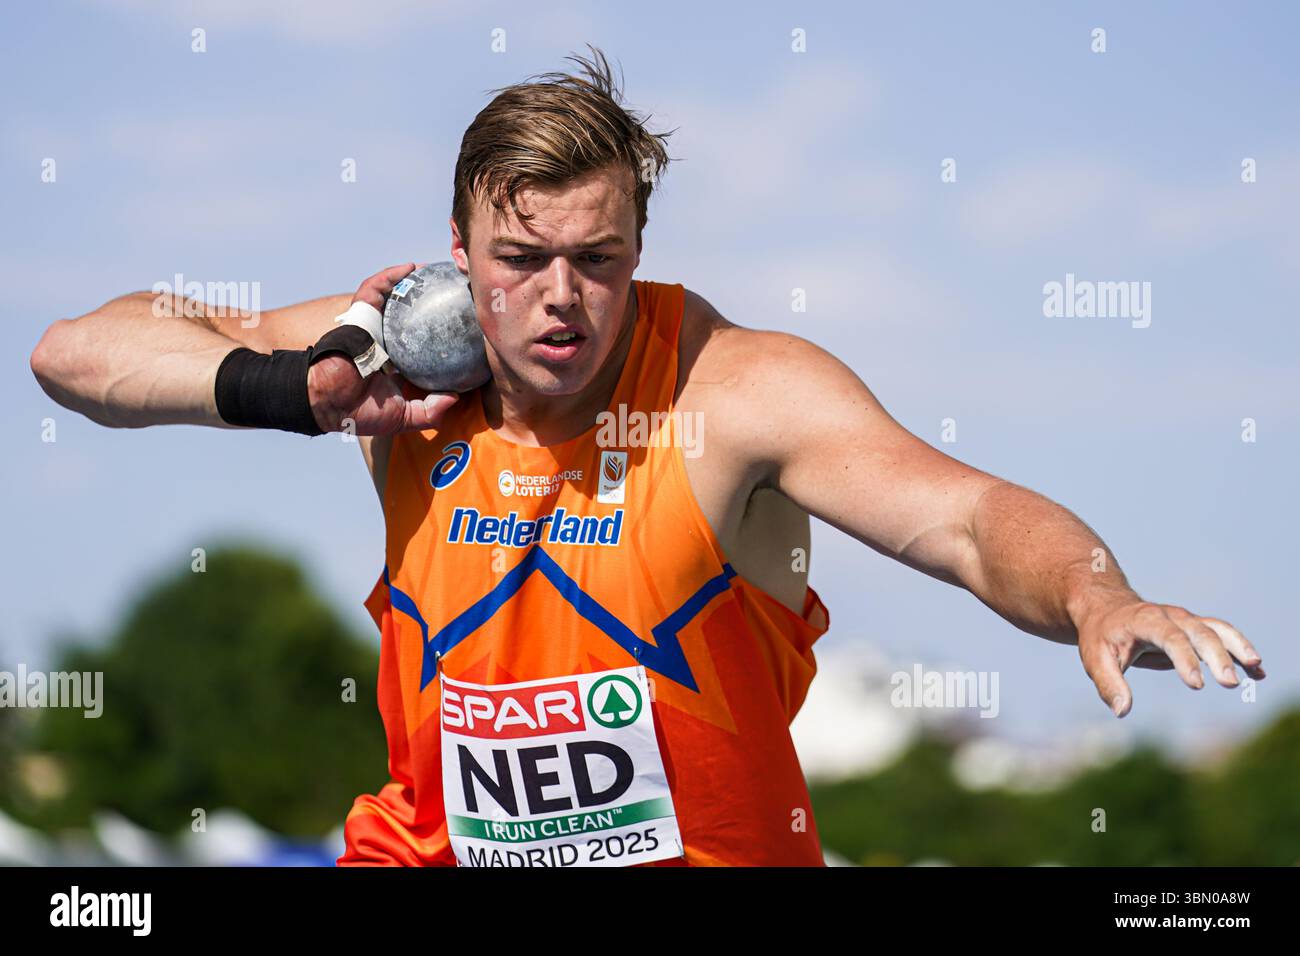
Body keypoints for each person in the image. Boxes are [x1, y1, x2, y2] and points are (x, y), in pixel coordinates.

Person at [29, 46, 1264, 867]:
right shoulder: (399, 364)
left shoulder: (738, 392)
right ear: (456, 250)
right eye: (520, 260)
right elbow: (74, 356)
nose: (561, 299)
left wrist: (1098, 593)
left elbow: (967, 517)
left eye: (600, 259)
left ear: (638, 245)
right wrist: (299, 385)